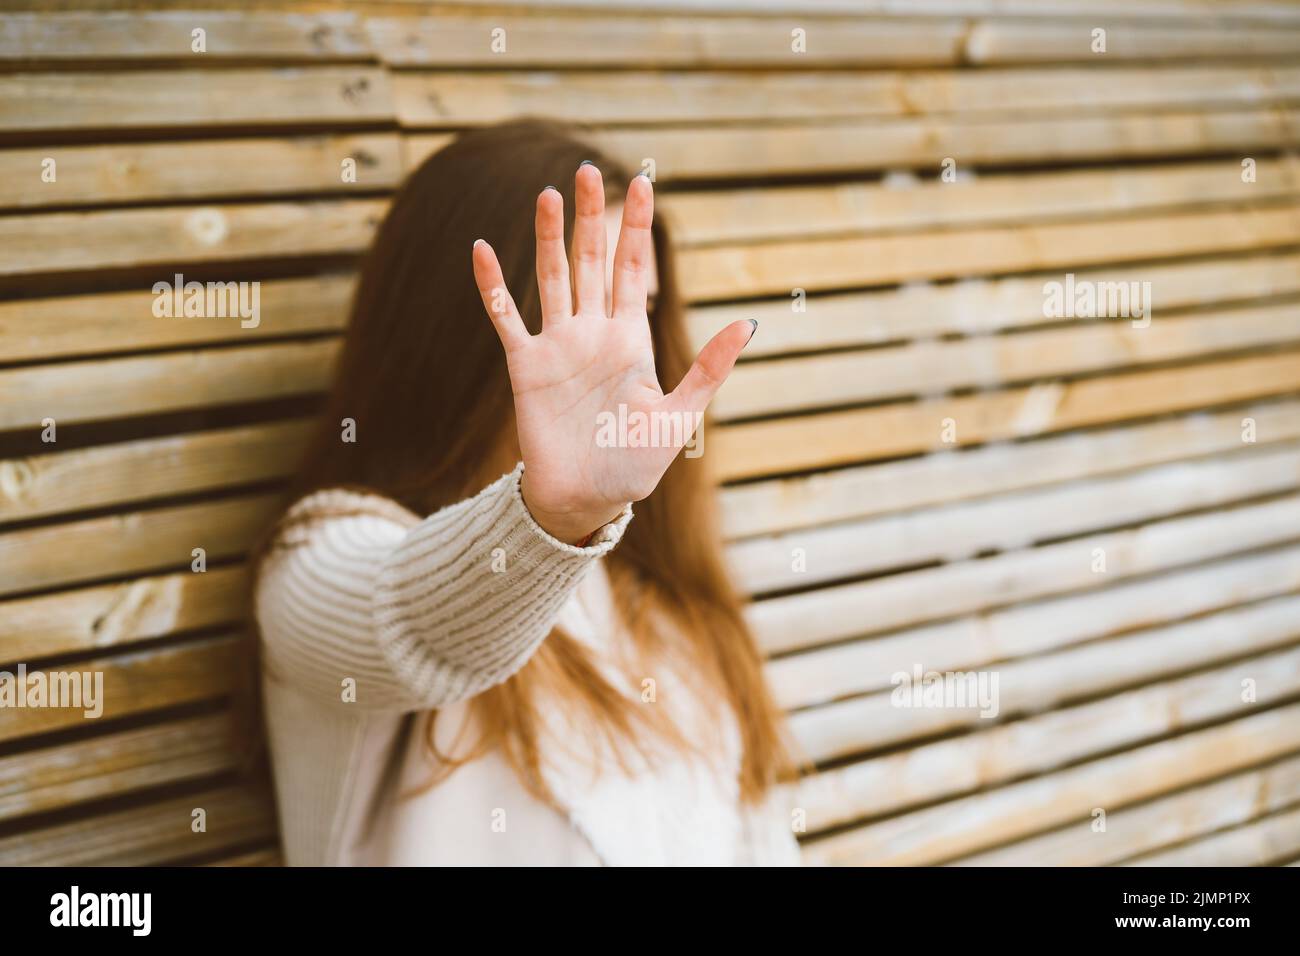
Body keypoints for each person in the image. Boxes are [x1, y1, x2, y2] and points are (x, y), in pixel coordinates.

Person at [251, 119, 800, 865]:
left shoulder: (668, 597)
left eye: (637, 309)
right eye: (579, 305)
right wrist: (556, 516)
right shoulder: (320, 558)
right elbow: (410, 623)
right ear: (460, 330)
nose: (622, 351)